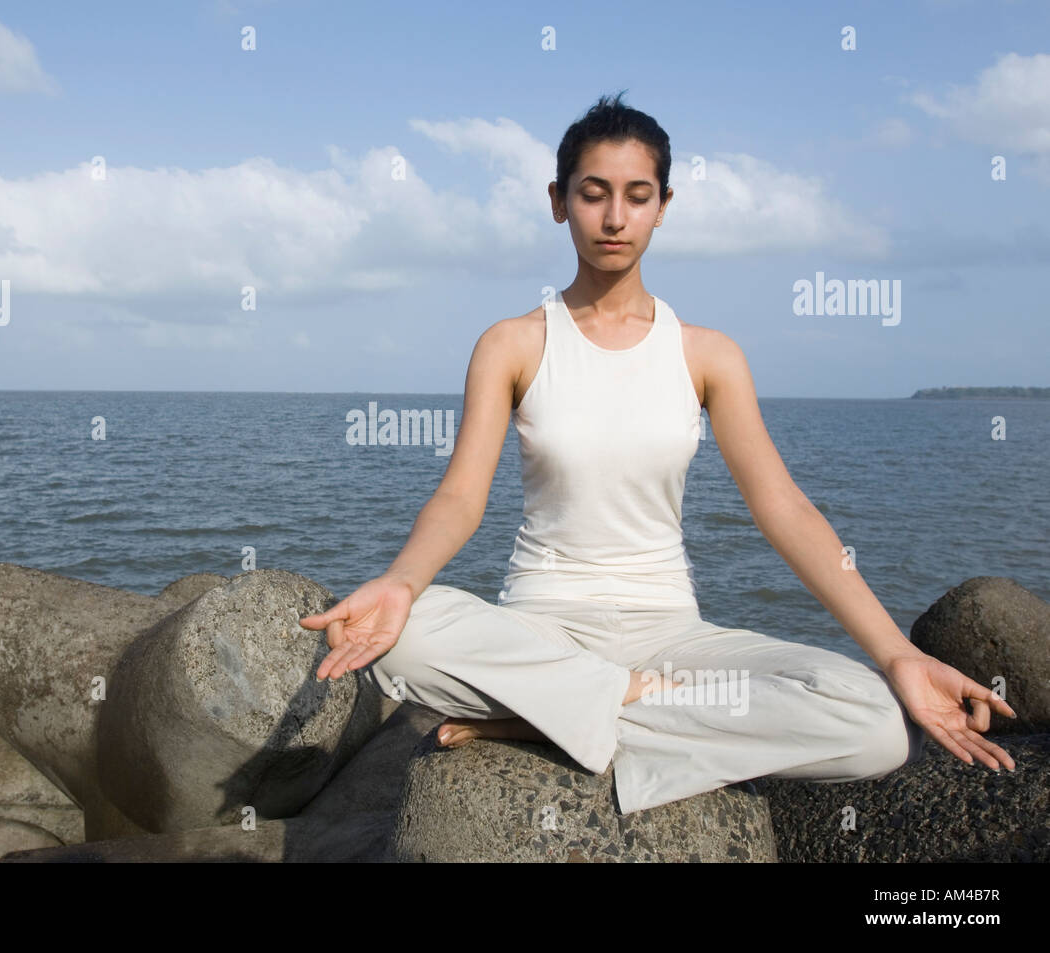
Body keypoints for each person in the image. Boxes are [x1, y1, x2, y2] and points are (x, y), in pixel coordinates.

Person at [299, 91, 1016, 815]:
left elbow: (784, 508)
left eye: (637, 197)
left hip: (671, 635)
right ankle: (611, 704)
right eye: (594, 194)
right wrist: (400, 580)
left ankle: (548, 715)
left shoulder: (708, 355)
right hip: (543, 623)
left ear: (663, 206)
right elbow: (459, 497)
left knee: (876, 720)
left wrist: (899, 653)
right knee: (396, 637)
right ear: (559, 201)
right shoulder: (513, 344)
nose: (615, 218)